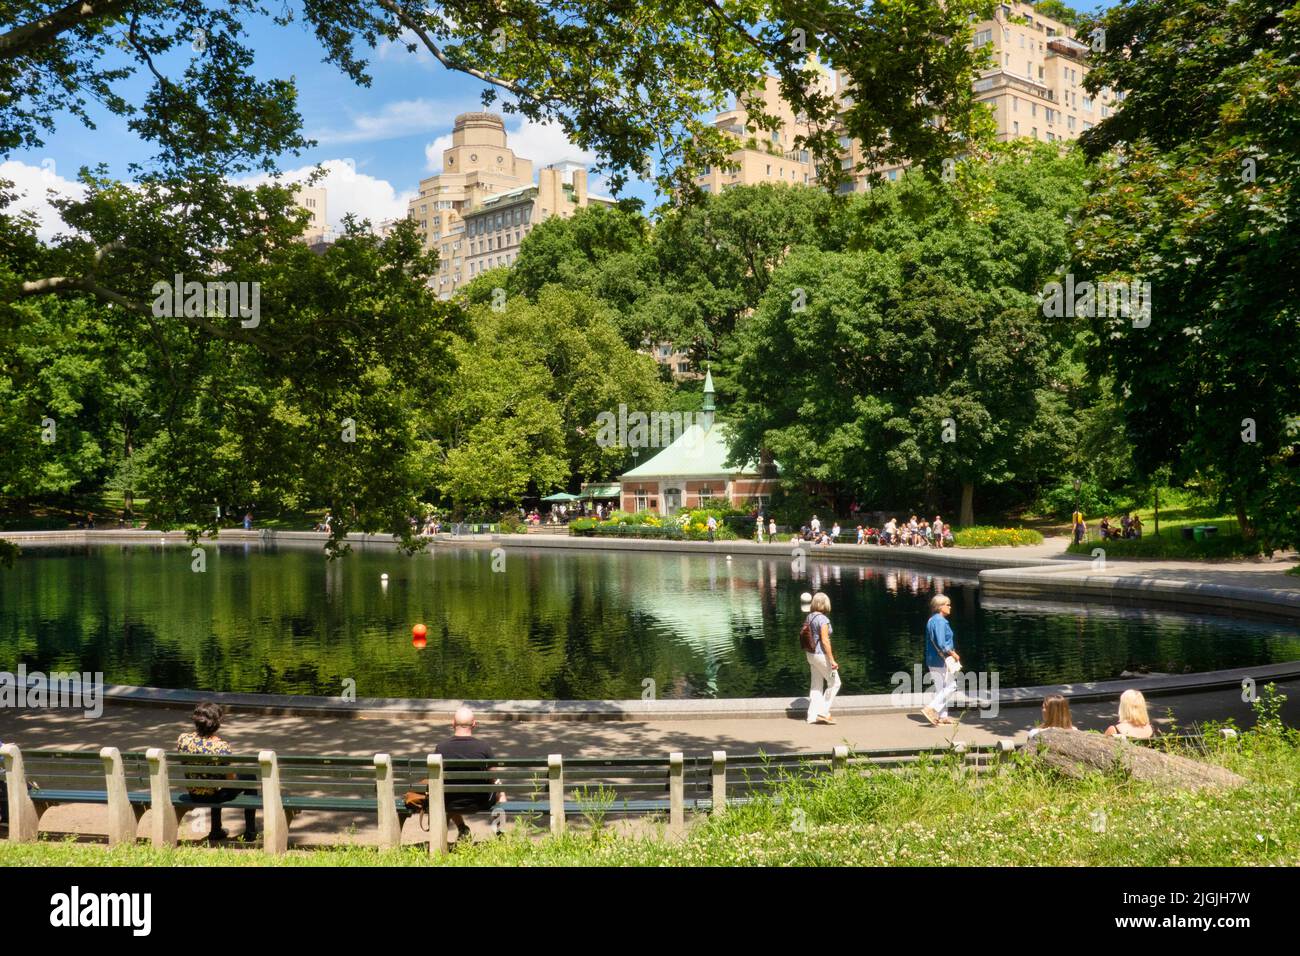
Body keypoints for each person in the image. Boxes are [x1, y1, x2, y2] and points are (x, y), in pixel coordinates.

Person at [176, 703, 258, 842]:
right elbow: (230, 779)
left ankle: (216, 830)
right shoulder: (220, 746)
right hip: (215, 794)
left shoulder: (183, 739)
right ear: (216, 724)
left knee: (216, 782)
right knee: (249, 778)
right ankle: (250, 831)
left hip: (194, 793)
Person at [434, 707, 506, 845]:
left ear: (453, 723)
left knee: (446, 791)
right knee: (500, 789)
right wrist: (497, 785)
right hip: (479, 801)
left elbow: (435, 778)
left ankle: (461, 829)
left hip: (450, 801)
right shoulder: (483, 747)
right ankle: (500, 833)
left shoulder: (441, 748)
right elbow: (494, 776)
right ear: (474, 724)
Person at [921, 594, 960, 726]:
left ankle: (943, 716)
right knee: (951, 686)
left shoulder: (931, 620)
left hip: (932, 659)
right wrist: (953, 653)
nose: (950, 607)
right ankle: (930, 708)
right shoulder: (940, 621)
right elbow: (942, 643)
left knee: (941, 689)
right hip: (941, 659)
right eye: (947, 604)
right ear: (940, 607)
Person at [803, 592, 841, 725]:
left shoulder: (809, 617)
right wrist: (832, 660)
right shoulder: (823, 620)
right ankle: (823, 712)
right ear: (825, 604)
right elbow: (825, 641)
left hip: (810, 654)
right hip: (820, 655)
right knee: (835, 683)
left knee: (816, 686)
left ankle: (812, 716)